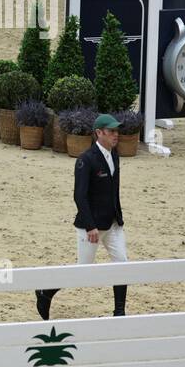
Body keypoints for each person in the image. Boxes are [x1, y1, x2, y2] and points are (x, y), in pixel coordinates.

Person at [35, 115, 129, 320]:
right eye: (111, 131)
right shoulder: (85, 160)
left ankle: (119, 313)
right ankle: (46, 291)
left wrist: (118, 217)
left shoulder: (114, 155)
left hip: (113, 223)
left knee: (122, 263)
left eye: (116, 131)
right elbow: (79, 195)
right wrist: (90, 226)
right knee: (82, 272)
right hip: (92, 226)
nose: (116, 135)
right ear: (99, 133)